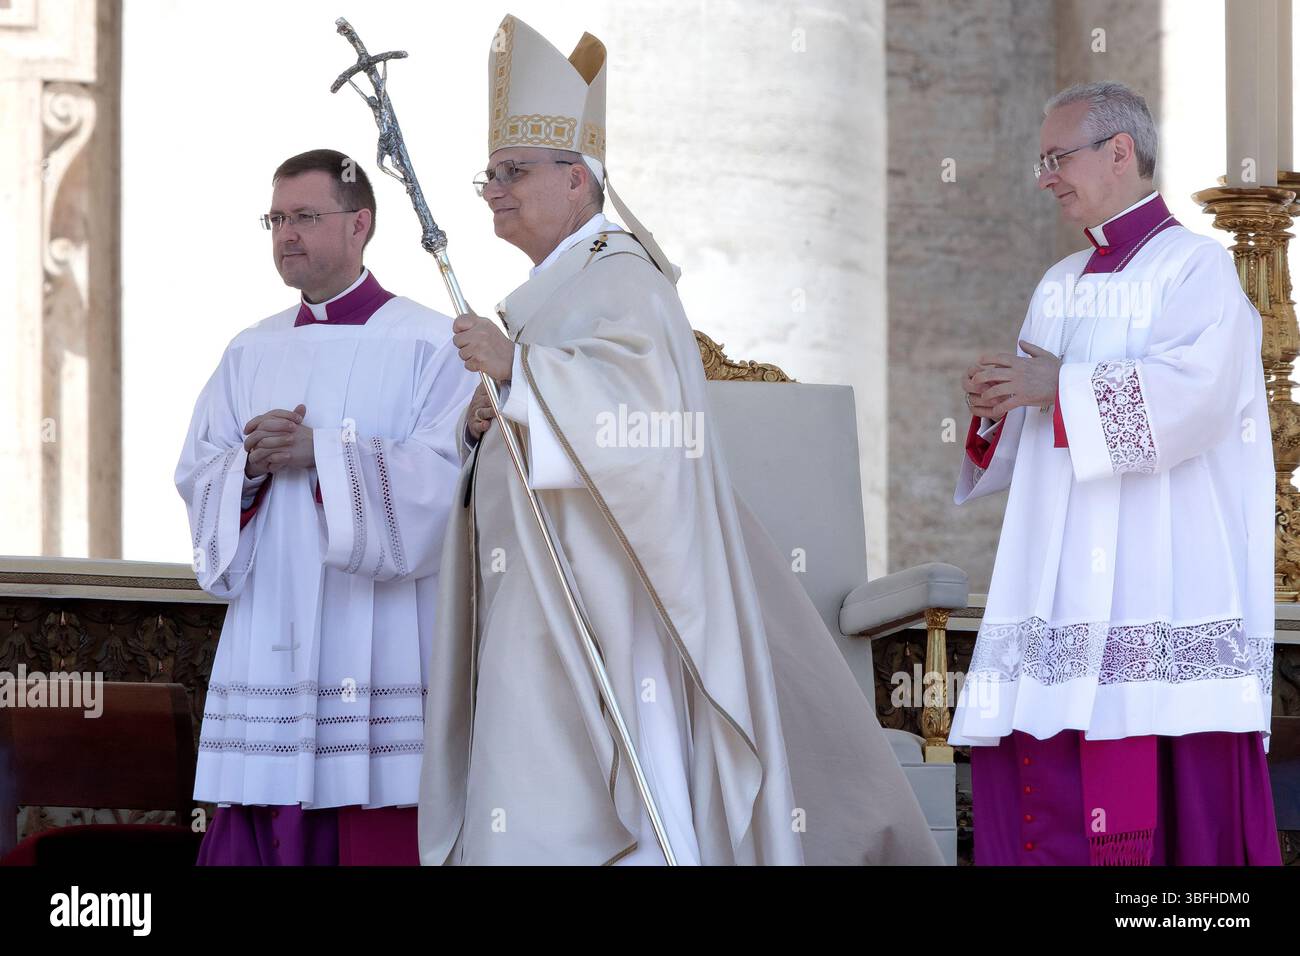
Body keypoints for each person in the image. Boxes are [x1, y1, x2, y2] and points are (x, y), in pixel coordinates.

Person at [417, 14, 944, 866]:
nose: (492, 190)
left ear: (581, 180)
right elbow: (528, 433)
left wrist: (521, 373)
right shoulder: (548, 292)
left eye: (513, 171)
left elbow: (652, 439)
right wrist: (482, 420)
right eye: (489, 174)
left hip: (619, 617)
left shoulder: (626, 281)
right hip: (534, 605)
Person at [954, 82, 1280, 865]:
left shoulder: (1196, 270)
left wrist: (1054, 388)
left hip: (1156, 583)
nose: (1046, 177)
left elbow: (1194, 402)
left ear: (1121, 152)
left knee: (1151, 805)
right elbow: (1033, 434)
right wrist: (998, 409)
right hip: (1058, 585)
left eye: (1057, 158)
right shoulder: (1059, 282)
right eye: (1043, 161)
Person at [175, 148, 477, 865]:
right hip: (271, 625)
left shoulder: (432, 343)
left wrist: (325, 456)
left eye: (305, 217)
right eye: (276, 218)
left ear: (360, 225)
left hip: (379, 631)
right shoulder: (250, 350)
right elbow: (196, 472)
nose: (286, 234)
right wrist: (247, 467)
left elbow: (447, 484)